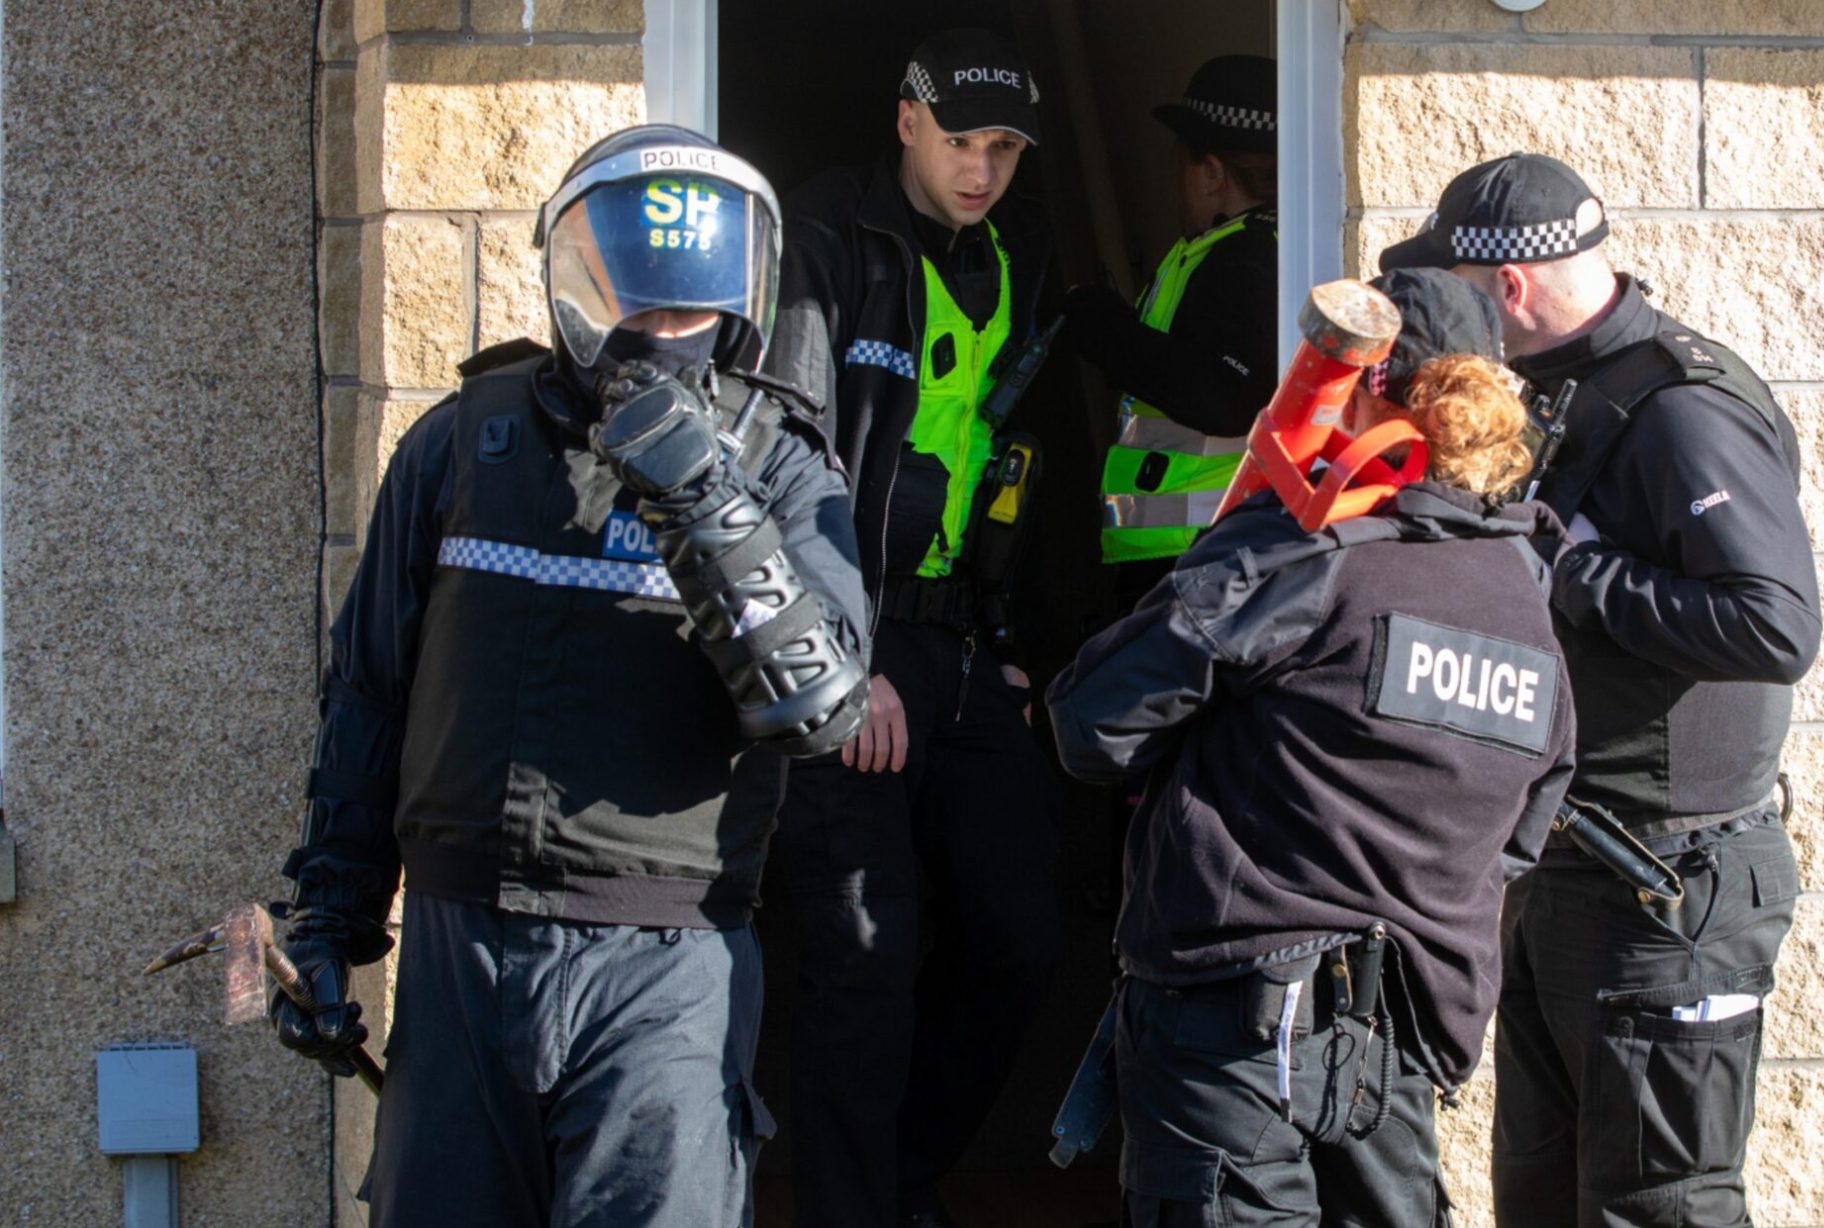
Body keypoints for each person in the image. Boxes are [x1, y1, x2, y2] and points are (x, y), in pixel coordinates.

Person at [265, 124, 869, 1227]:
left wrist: (700, 496)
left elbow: (818, 706)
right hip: (462, 946)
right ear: (578, 282)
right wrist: (327, 917)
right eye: (641, 304)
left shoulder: (780, 465)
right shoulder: (463, 441)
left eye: (691, 311)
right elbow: (369, 693)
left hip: (665, 960)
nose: (665, 334)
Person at [1046, 268, 1577, 1227]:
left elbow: (1091, 722)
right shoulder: (1523, 589)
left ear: (1366, 390)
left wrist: (1241, 541)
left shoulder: (1309, 557)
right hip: (1401, 1043)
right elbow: (1527, 822)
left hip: (1233, 1028)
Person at [1381, 152, 1822, 1227]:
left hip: (1666, 886)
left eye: (1457, 291)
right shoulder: (1558, 387)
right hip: (1569, 868)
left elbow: (1774, 624)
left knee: (1656, 1205)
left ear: (1508, 287)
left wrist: (1576, 571)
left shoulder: (1680, 409)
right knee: (1539, 1194)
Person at [752, 28, 1061, 1228]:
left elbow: (1005, 457)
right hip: (852, 647)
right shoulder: (828, 235)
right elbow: (788, 457)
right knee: (860, 962)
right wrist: (844, 653)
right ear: (905, 123)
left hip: (963, 651)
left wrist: (1005, 636)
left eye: (1003, 150)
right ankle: (851, 1210)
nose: (980, 170)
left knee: (1019, 938)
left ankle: (903, 1176)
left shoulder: (1013, 257)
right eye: (959, 141)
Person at [1065, 54, 1280, 611]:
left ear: (1212, 174)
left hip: (1204, 559)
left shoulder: (1246, 259)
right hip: (1209, 552)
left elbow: (1221, 394)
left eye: (1183, 163)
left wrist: (1103, 326)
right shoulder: (1233, 249)